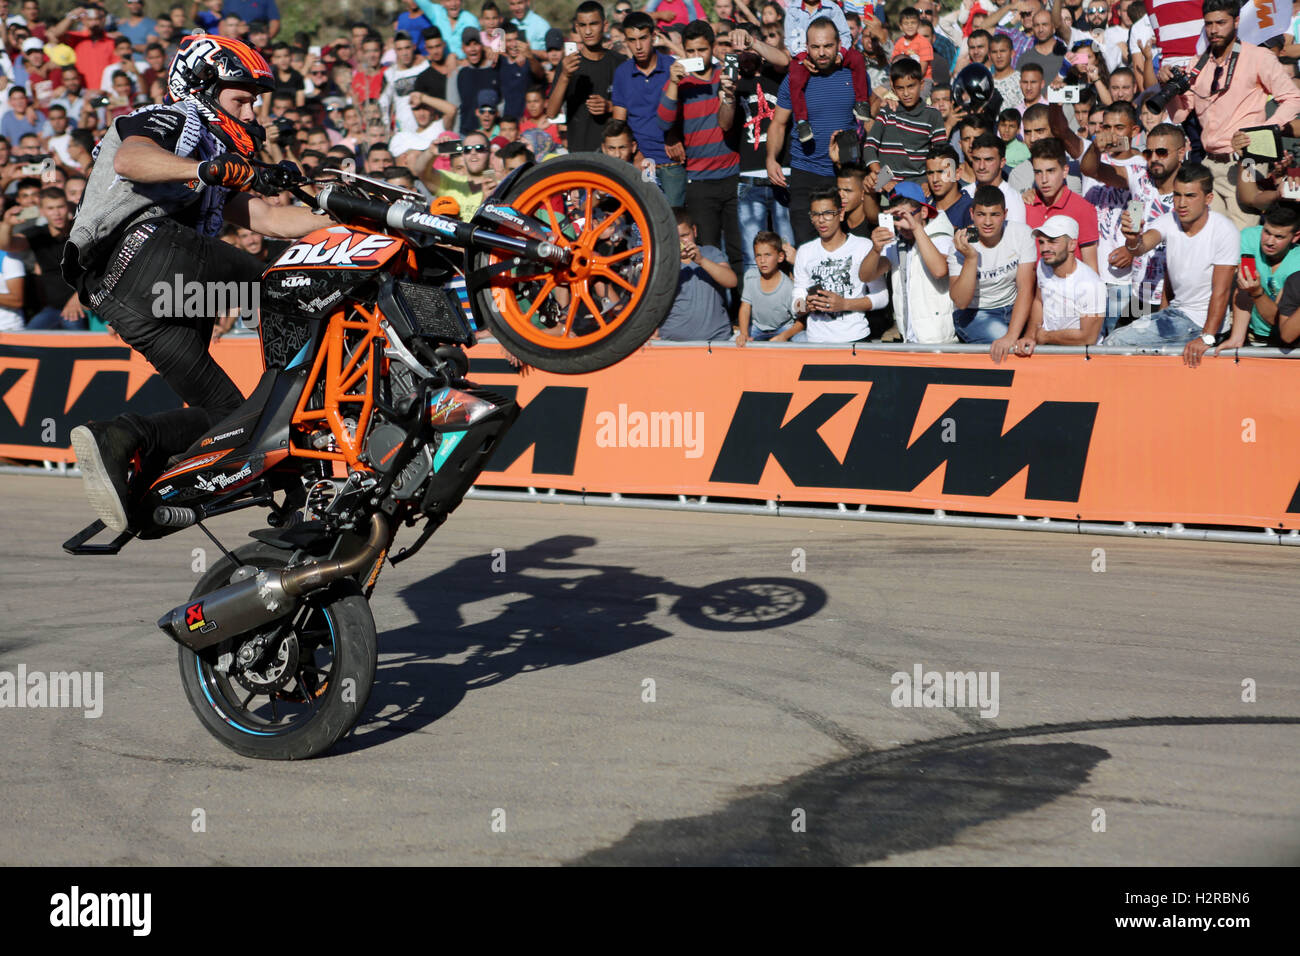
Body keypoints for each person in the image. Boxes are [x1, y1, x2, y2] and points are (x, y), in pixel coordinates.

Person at [63, 33, 327, 534]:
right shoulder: (175, 118)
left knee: (228, 417)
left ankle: (121, 436)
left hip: (136, 298)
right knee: (282, 285)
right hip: (145, 255)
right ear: (203, 88)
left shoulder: (213, 161)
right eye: (242, 99)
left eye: (254, 102)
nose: (252, 113)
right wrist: (202, 167)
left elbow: (271, 220)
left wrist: (349, 224)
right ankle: (296, 404)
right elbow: (130, 158)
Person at [1163, 0, 1300, 230]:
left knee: (1240, 239)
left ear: (1236, 21)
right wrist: (1168, 90)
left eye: (1221, 22)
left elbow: (1293, 97)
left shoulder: (1258, 56)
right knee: (1210, 243)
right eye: (1208, 24)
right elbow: (1180, 115)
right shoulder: (1198, 63)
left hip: (1246, 162)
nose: (1214, 30)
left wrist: (1265, 132)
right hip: (1209, 163)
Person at [1108, 163, 1238, 366]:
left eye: (1190, 196)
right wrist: (1133, 239)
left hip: (1199, 323)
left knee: (1114, 342)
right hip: (1176, 314)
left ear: (1208, 198)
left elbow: (1221, 292)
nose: (1181, 203)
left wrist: (1206, 338)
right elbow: (1140, 248)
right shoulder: (1169, 220)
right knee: (1116, 342)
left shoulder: (1224, 230)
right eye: (1177, 195)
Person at [658, 21, 742, 275]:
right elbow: (663, 120)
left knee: (739, 250)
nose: (696, 57)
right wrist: (673, 83)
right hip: (699, 181)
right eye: (691, 51)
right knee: (708, 251)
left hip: (732, 175)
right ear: (683, 51)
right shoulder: (680, 82)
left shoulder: (724, 75)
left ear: (713, 47)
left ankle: (741, 310)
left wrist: (728, 91)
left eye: (702, 50)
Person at [767, 17, 858, 245]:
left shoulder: (853, 75)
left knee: (846, 247)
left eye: (828, 46)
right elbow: (778, 123)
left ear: (839, 44)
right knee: (806, 246)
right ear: (806, 47)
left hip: (844, 174)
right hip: (804, 174)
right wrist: (771, 158)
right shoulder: (794, 79)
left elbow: (872, 112)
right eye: (815, 47)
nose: (822, 53)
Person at [859, 180, 957, 343]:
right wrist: (875, 249)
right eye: (897, 217)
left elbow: (940, 271)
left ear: (924, 212)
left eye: (908, 215)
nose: (903, 223)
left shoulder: (940, 235)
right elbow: (866, 276)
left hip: (939, 340)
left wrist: (916, 228)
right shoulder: (896, 242)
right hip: (909, 339)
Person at [948, 183, 1037, 358]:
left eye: (994, 215)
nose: (987, 222)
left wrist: (1013, 335)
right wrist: (971, 258)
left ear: (1005, 214)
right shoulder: (963, 241)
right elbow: (961, 302)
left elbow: (1025, 289)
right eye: (981, 215)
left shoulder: (1021, 233)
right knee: (1008, 346)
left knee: (1034, 341)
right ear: (972, 214)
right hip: (975, 313)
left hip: (1012, 307)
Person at [790, 185, 886, 342]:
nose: (821, 220)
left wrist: (844, 304)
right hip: (816, 341)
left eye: (828, 213)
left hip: (855, 338)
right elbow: (796, 302)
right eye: (815, 214)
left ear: (841, 214)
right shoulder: (805, 251)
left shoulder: (863, 246)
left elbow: (882, 297)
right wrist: (805, 306)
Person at [612, 12, 684, 206]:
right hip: (641, 164)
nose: (638, 46)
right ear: (625, 41)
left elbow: (687, 112)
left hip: (673, 163)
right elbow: (619, 122)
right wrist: (634, 153)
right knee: (646, 225)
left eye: (643, 38)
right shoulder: (622, 73)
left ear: (653, 37)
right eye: (632, 40)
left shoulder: (672, 67)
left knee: (676, 223)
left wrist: (674, 133)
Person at [546, 1, 625, 153]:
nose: (588, 31)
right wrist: (565, 76)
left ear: (605, 25)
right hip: (580, 151)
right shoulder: (569, 65)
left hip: (615, 153)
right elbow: (551, 113)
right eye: (582, 25)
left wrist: (610, 107)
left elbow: (634, 108)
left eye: (593, 24)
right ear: (577, 28)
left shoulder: (620, 63)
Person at [1221, 202, 1300, 348]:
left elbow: (1277, 321)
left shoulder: (1297, 263)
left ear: (1295, 237)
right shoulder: (1249, 237)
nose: (1269, 242)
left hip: (1287, 341)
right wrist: (1237, 338)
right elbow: (1243, 290)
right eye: (1267, 232)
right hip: (1251, 334)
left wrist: (1256, 292)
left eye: (1279, 237)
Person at [1021, 214, 1106, 349]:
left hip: (1081, 356)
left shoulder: (1092, 284)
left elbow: (1088, 338)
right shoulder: (1043, 264)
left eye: (1052, 241)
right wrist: (1030, 335)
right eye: (1041, 242)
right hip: (1048, 350)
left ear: (1072, 244)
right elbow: (1039, 301)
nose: (1044, 249)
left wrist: (1045, 336)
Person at [862, 55, 946, 185]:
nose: (906, 93)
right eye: (900, 88)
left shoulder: (932, 115)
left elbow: (941, 154)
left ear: (922, 84)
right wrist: (884, 181)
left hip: (918, 185)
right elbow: (869, 147)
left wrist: (927, 184)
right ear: (893, 88)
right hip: (887, 185)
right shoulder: (888, 112)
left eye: (911, 86)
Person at [657, 207, 736, 342]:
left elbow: (731, 281)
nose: (680, 242)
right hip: (673, 341)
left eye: (684, 236)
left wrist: (701, 261)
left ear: (694, 231)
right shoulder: (662, 262)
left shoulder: (710, 253)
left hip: (716, 339)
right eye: (673, 237)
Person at [1023, 136, 1099, 271]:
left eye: (1050, 171)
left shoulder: (1083, 209)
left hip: (1071, 289)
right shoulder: (1025, 205)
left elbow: (1091, 267)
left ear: (1065, 171)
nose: (1044, 179)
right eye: (1038, 172)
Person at [737, 230, 799, 345]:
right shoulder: (750, 276)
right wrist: (744, 334)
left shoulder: (789, 287)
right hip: (757, 328)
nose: (762, 260)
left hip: (783, 328)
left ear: (780, 257)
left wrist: (784, 336)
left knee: (801, 340)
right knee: (734, 343)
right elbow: (745, 307)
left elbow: (801, 321)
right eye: (758, 255)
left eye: (767, 255)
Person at [962, 132, 1026, 222]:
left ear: (1002, 162)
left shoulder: (1012, 199)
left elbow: (1016, 235)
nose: (981, 166)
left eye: (988, 160)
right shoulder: (965, 193)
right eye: (977, 159)